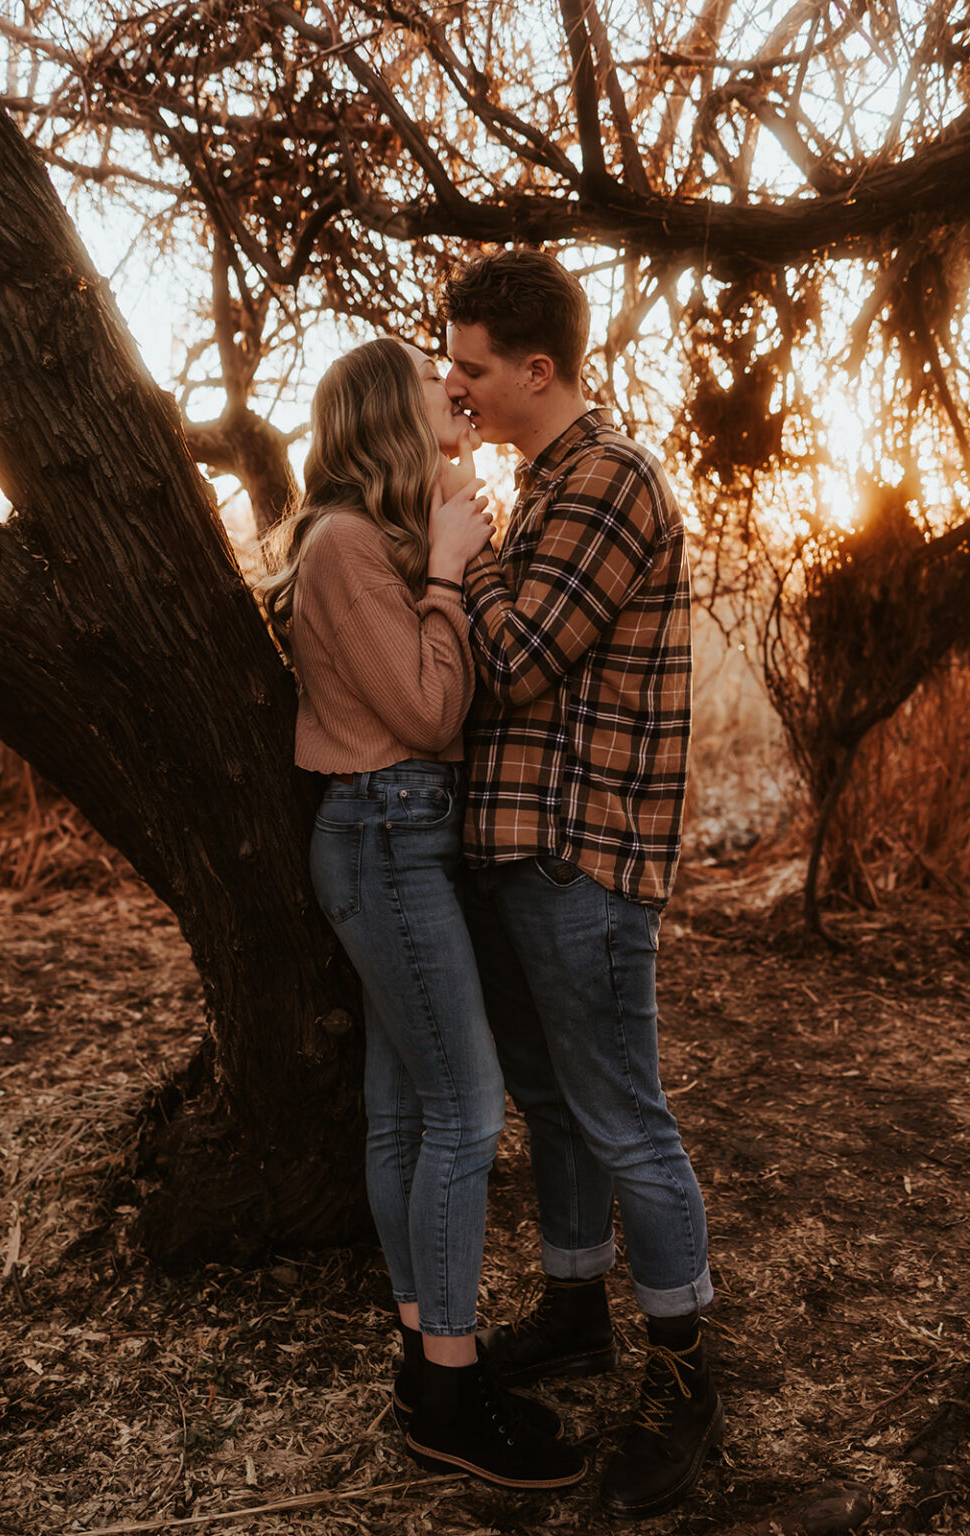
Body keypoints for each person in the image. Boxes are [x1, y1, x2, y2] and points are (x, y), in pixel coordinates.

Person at [259, 336, 585, 1493]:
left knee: (403, 1109)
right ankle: (451, 1390)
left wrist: (447, 548)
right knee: (465, 1110)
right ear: (385, 419)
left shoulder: (368, 539)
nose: (455, 389)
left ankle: (425, 1362)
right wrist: (449, 566)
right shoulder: (348, 544)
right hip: (387, 831)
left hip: (396, 832)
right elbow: (433, 711)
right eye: (429, 380)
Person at [439, 250, 723, 1520]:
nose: (457, 392)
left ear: (537, 368)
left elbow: (518, 660)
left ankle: (685, 1378)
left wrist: (468, 549)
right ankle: (574, 1309)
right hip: (521, 850)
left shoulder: (604, 481)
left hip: (583, 859)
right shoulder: (544, 482)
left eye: (473, 369)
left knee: (623, 1120)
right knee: (553, 1105)